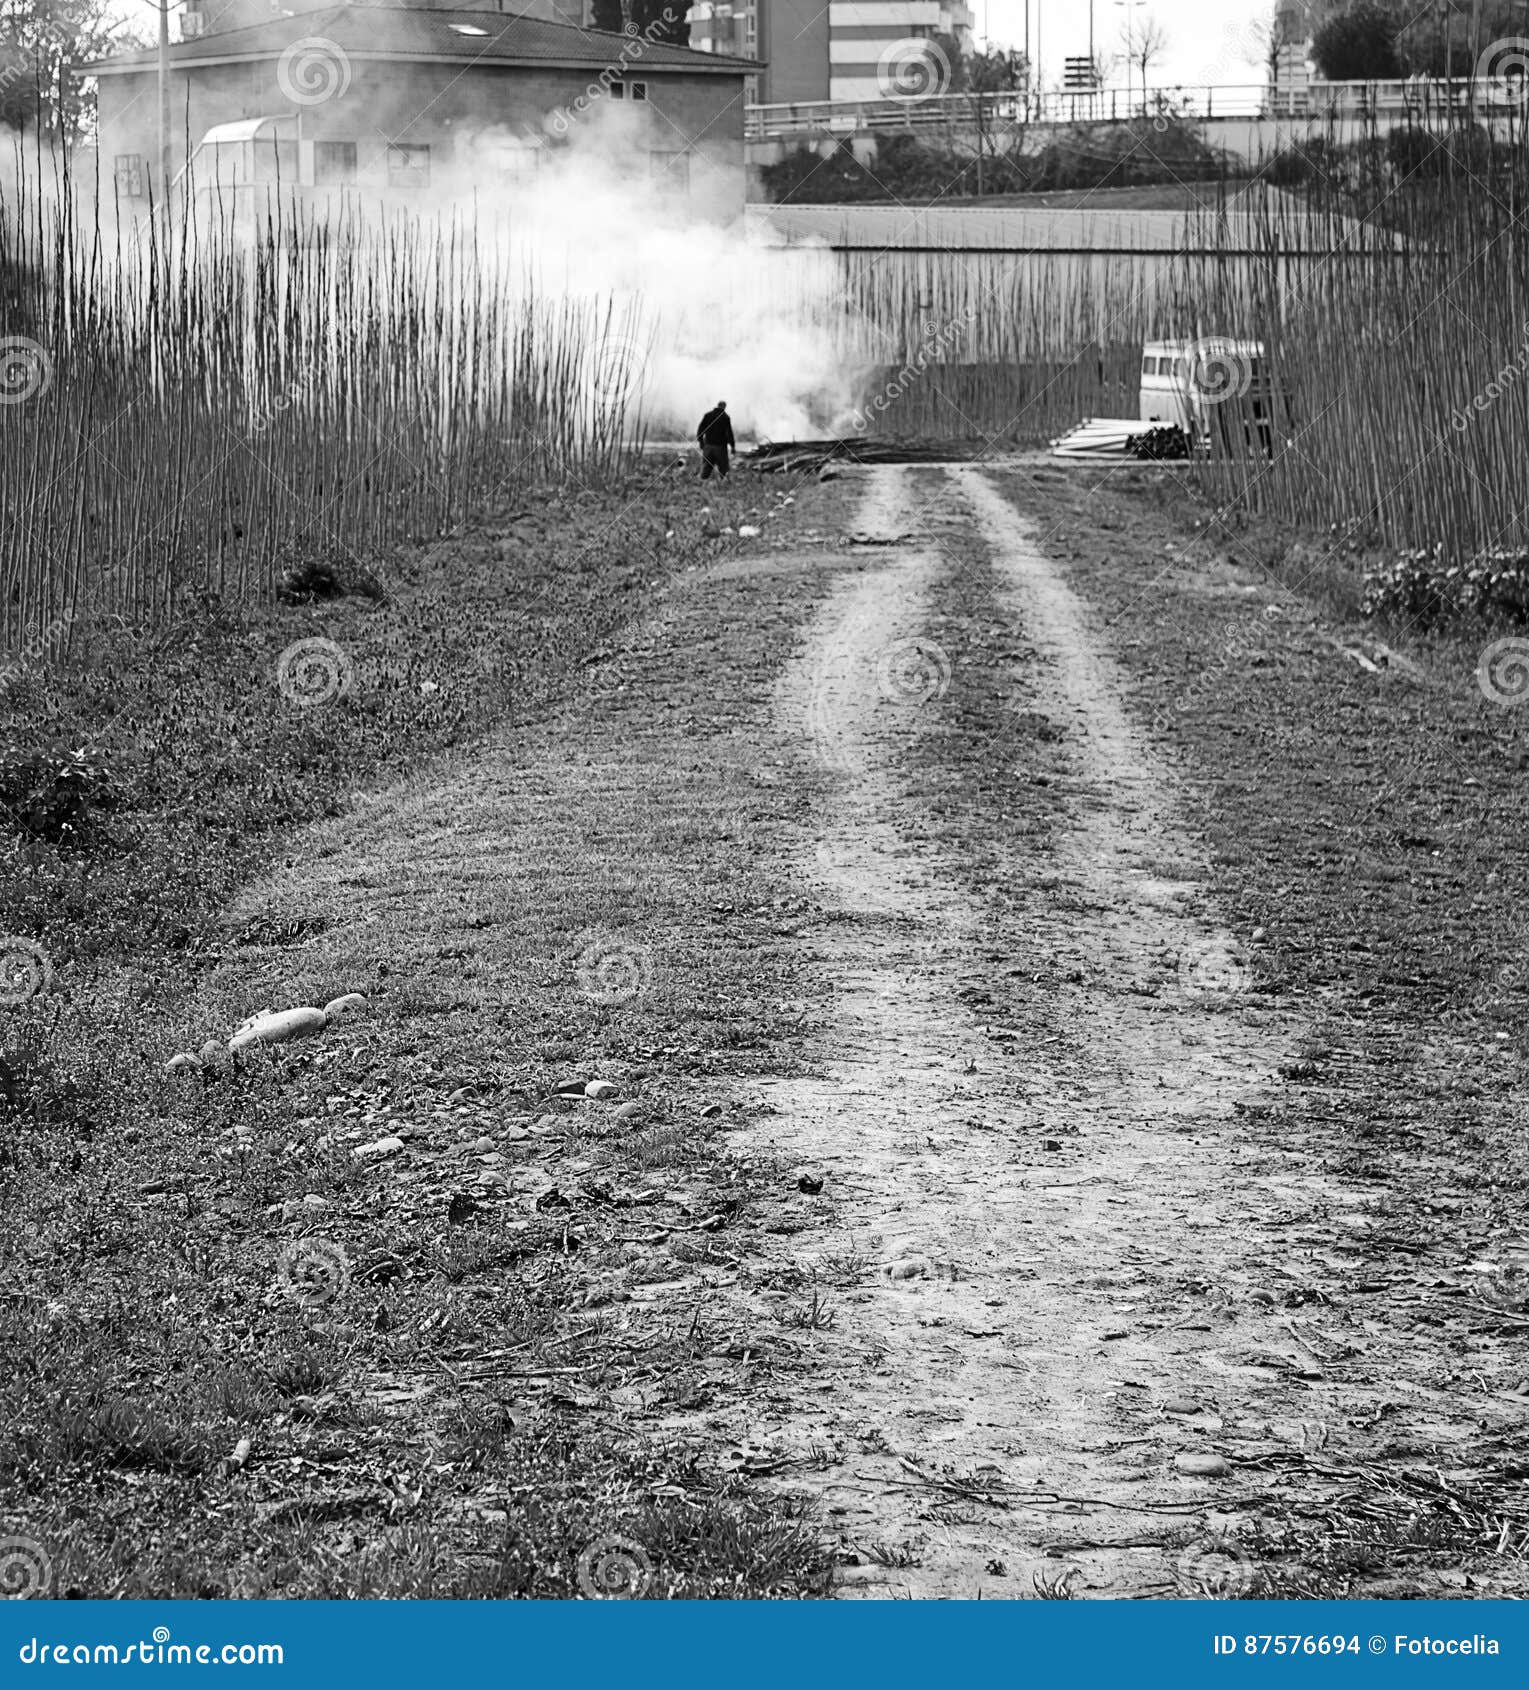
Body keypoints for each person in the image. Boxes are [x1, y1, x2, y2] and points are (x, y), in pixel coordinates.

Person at [697, 400, 735, 479]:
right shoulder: (725, 417)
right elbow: (729, 433)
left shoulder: (708, 415)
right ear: (724, 407)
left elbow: (701, 429)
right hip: (720, 447)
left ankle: (702, 482)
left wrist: (700, 441)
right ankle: (723, 483)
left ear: (718, 405)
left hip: (708, 446)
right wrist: (732, 446)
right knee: (723, 469)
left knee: (706, 468)